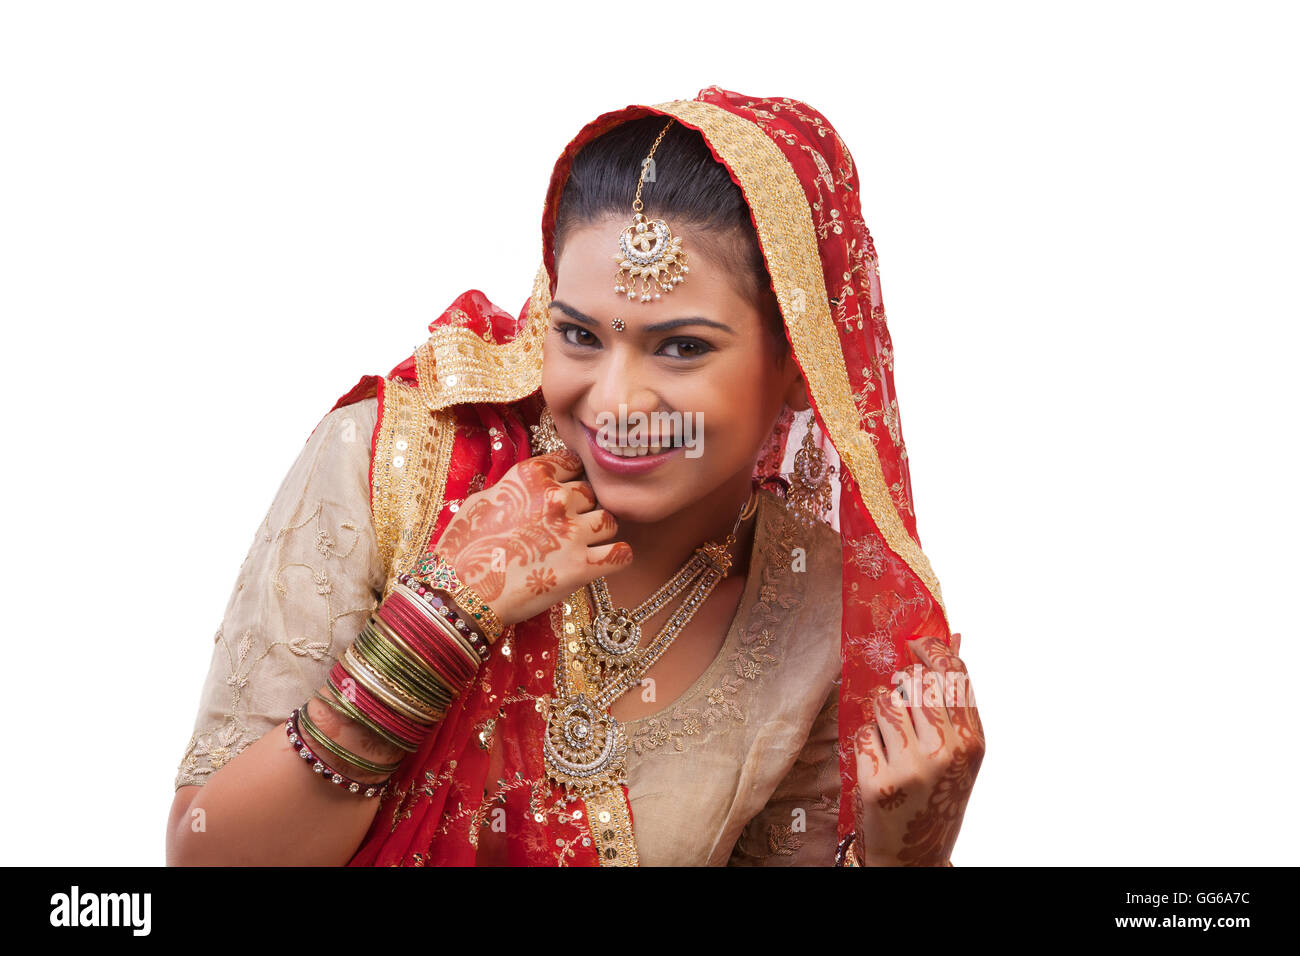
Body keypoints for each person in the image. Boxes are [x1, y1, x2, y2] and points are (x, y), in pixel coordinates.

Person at [166, 86, 985, 867]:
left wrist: (901, 853)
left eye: (682, 347)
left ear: (802, 368)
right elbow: (207, 856)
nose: (616, 402)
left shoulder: (817, 607)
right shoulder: (397, 464)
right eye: (581, 336)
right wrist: (441, 618)